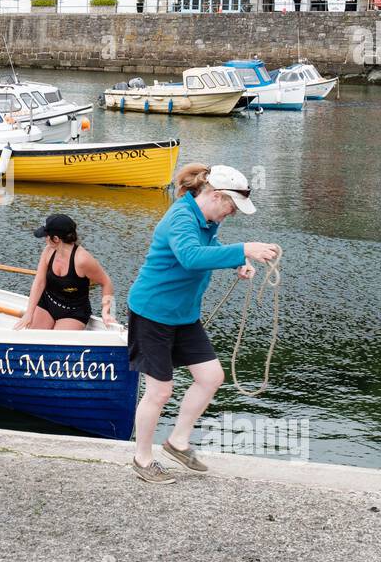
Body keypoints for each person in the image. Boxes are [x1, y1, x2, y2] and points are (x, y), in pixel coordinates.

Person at [126, 163, 279, 484]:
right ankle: (142, 459)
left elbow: (206, 249)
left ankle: (177, 442)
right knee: (159, 392)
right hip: (152, 313)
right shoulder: (181, 216)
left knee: (211, 377)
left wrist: (238, 261)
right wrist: (243, 249)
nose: (231, 214)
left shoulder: (206, 220)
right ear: (216, 195)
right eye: (231, 207)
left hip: (182, 315)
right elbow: (190, 256)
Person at [14, 214, 115, 331]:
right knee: (32, 338)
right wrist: (29, 313)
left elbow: (106, 282)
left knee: (55, 344)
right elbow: (39, 281)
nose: (45, 239)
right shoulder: (48, 251)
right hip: (47, 302)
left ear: (56, 239)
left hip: (73, 312)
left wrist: (106, 312)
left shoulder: (82, 260)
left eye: (46, 236)